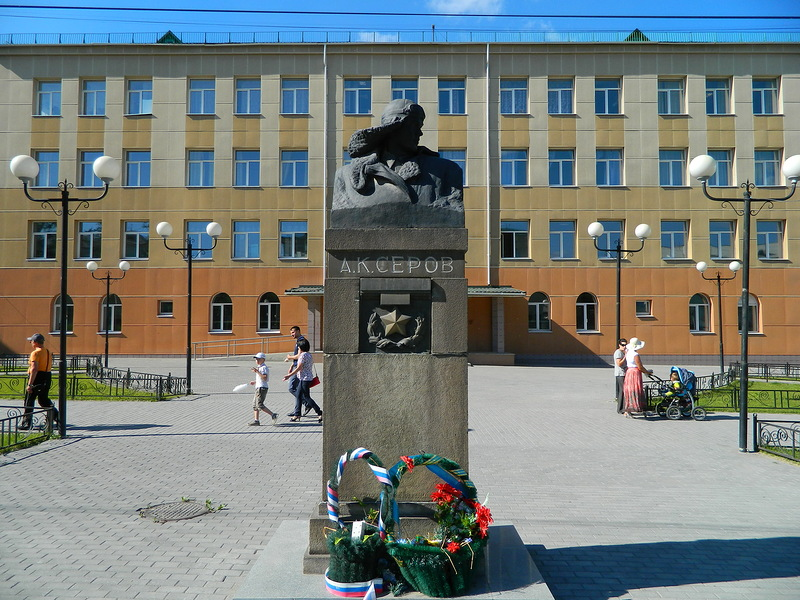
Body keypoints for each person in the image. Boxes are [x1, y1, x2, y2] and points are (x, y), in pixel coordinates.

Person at [331, 98, 464, 228]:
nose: (420, 133)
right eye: (415, 126)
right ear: (395, 128)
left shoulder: (445, 171)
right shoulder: (346, 175)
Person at [20, 333, 59, 430]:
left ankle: (27, 423)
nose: (31, 343)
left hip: (37, 377)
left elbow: (34, 369)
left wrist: (30, 384)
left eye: (32, 341)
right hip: (47, 376)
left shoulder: (35, 353)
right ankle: (58, 417)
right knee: (43, 400)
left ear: (36, 342)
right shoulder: (48, 351)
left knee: (29, 400)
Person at [283, 338, 322, 423]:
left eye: (299, 348)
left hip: (304, 379)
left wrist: (289, 375)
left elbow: (299, 367)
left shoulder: (303, 355)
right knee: (298, 394)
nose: (298, 349)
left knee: (306, 397)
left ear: (301, 348)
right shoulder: (308, 354)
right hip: (306, 378)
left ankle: (320, 412)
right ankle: (297, 414)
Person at [622, 337, 652, 418]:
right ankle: (638, 408)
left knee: (630, 390)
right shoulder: (635, 355)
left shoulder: (628, 352)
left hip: (629, 372)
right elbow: (640, 366)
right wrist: (647, 372)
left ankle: (628, 409)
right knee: (637, 390)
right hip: (635, 373)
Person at [248, 352, 277, 426]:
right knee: (255, 405)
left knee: (259, 405)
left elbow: (264, 378)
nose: (257, 360)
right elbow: (261, 378)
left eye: (259, 359)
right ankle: (256, 420)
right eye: (256, 359)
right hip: (258, 387)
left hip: (262, 388)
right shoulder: (260, 367)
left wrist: (257, 372)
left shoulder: (263, 368)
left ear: (263, 360)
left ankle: (273, 415)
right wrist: (255, 382)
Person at [284, 325, 306, 402]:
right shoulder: (298, 341)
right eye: (291, 333)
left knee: (291, 387)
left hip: (299, 367)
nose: (291, 334)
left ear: (298, 331)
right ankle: (298, 409)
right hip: (296, 365)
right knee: (296, 388)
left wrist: (290, 357)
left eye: (293, 332)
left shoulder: (301, 341)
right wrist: (292, 365)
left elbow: (299, 356)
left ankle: (306, 402)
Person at [613, 338, 628, 414]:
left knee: (622, 391)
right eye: (623, 345)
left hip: (624, 373)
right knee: (622, 391)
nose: (624, 346)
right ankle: (621, 409)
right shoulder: (618, 352)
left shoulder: (623, 352)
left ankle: (621, 408)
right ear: (619, 345)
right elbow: (619, 363)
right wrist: (625, 356)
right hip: (620, 374)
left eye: (625, 345)